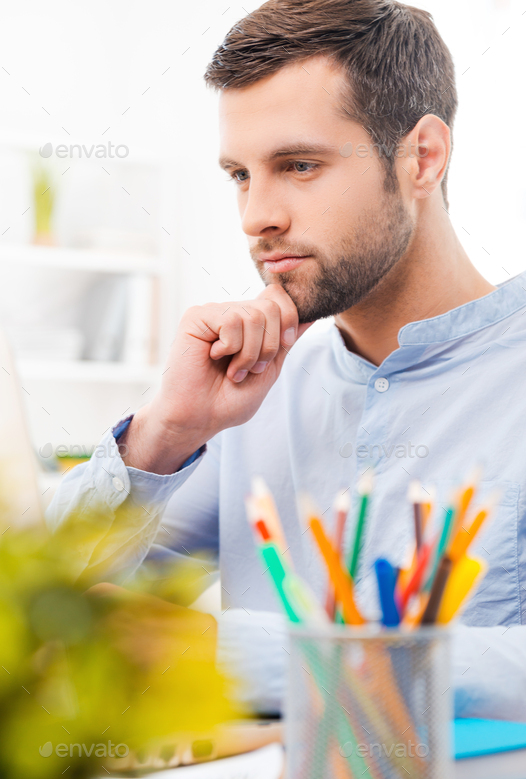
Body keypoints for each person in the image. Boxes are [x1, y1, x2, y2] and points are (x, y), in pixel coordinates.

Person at [48, 0, 526, 720]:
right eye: (240, 175)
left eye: (299, 165)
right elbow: (45, 605)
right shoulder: (252, 395)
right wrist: (164, 434)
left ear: (422, 158)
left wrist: (229, 655)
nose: (255, 218)